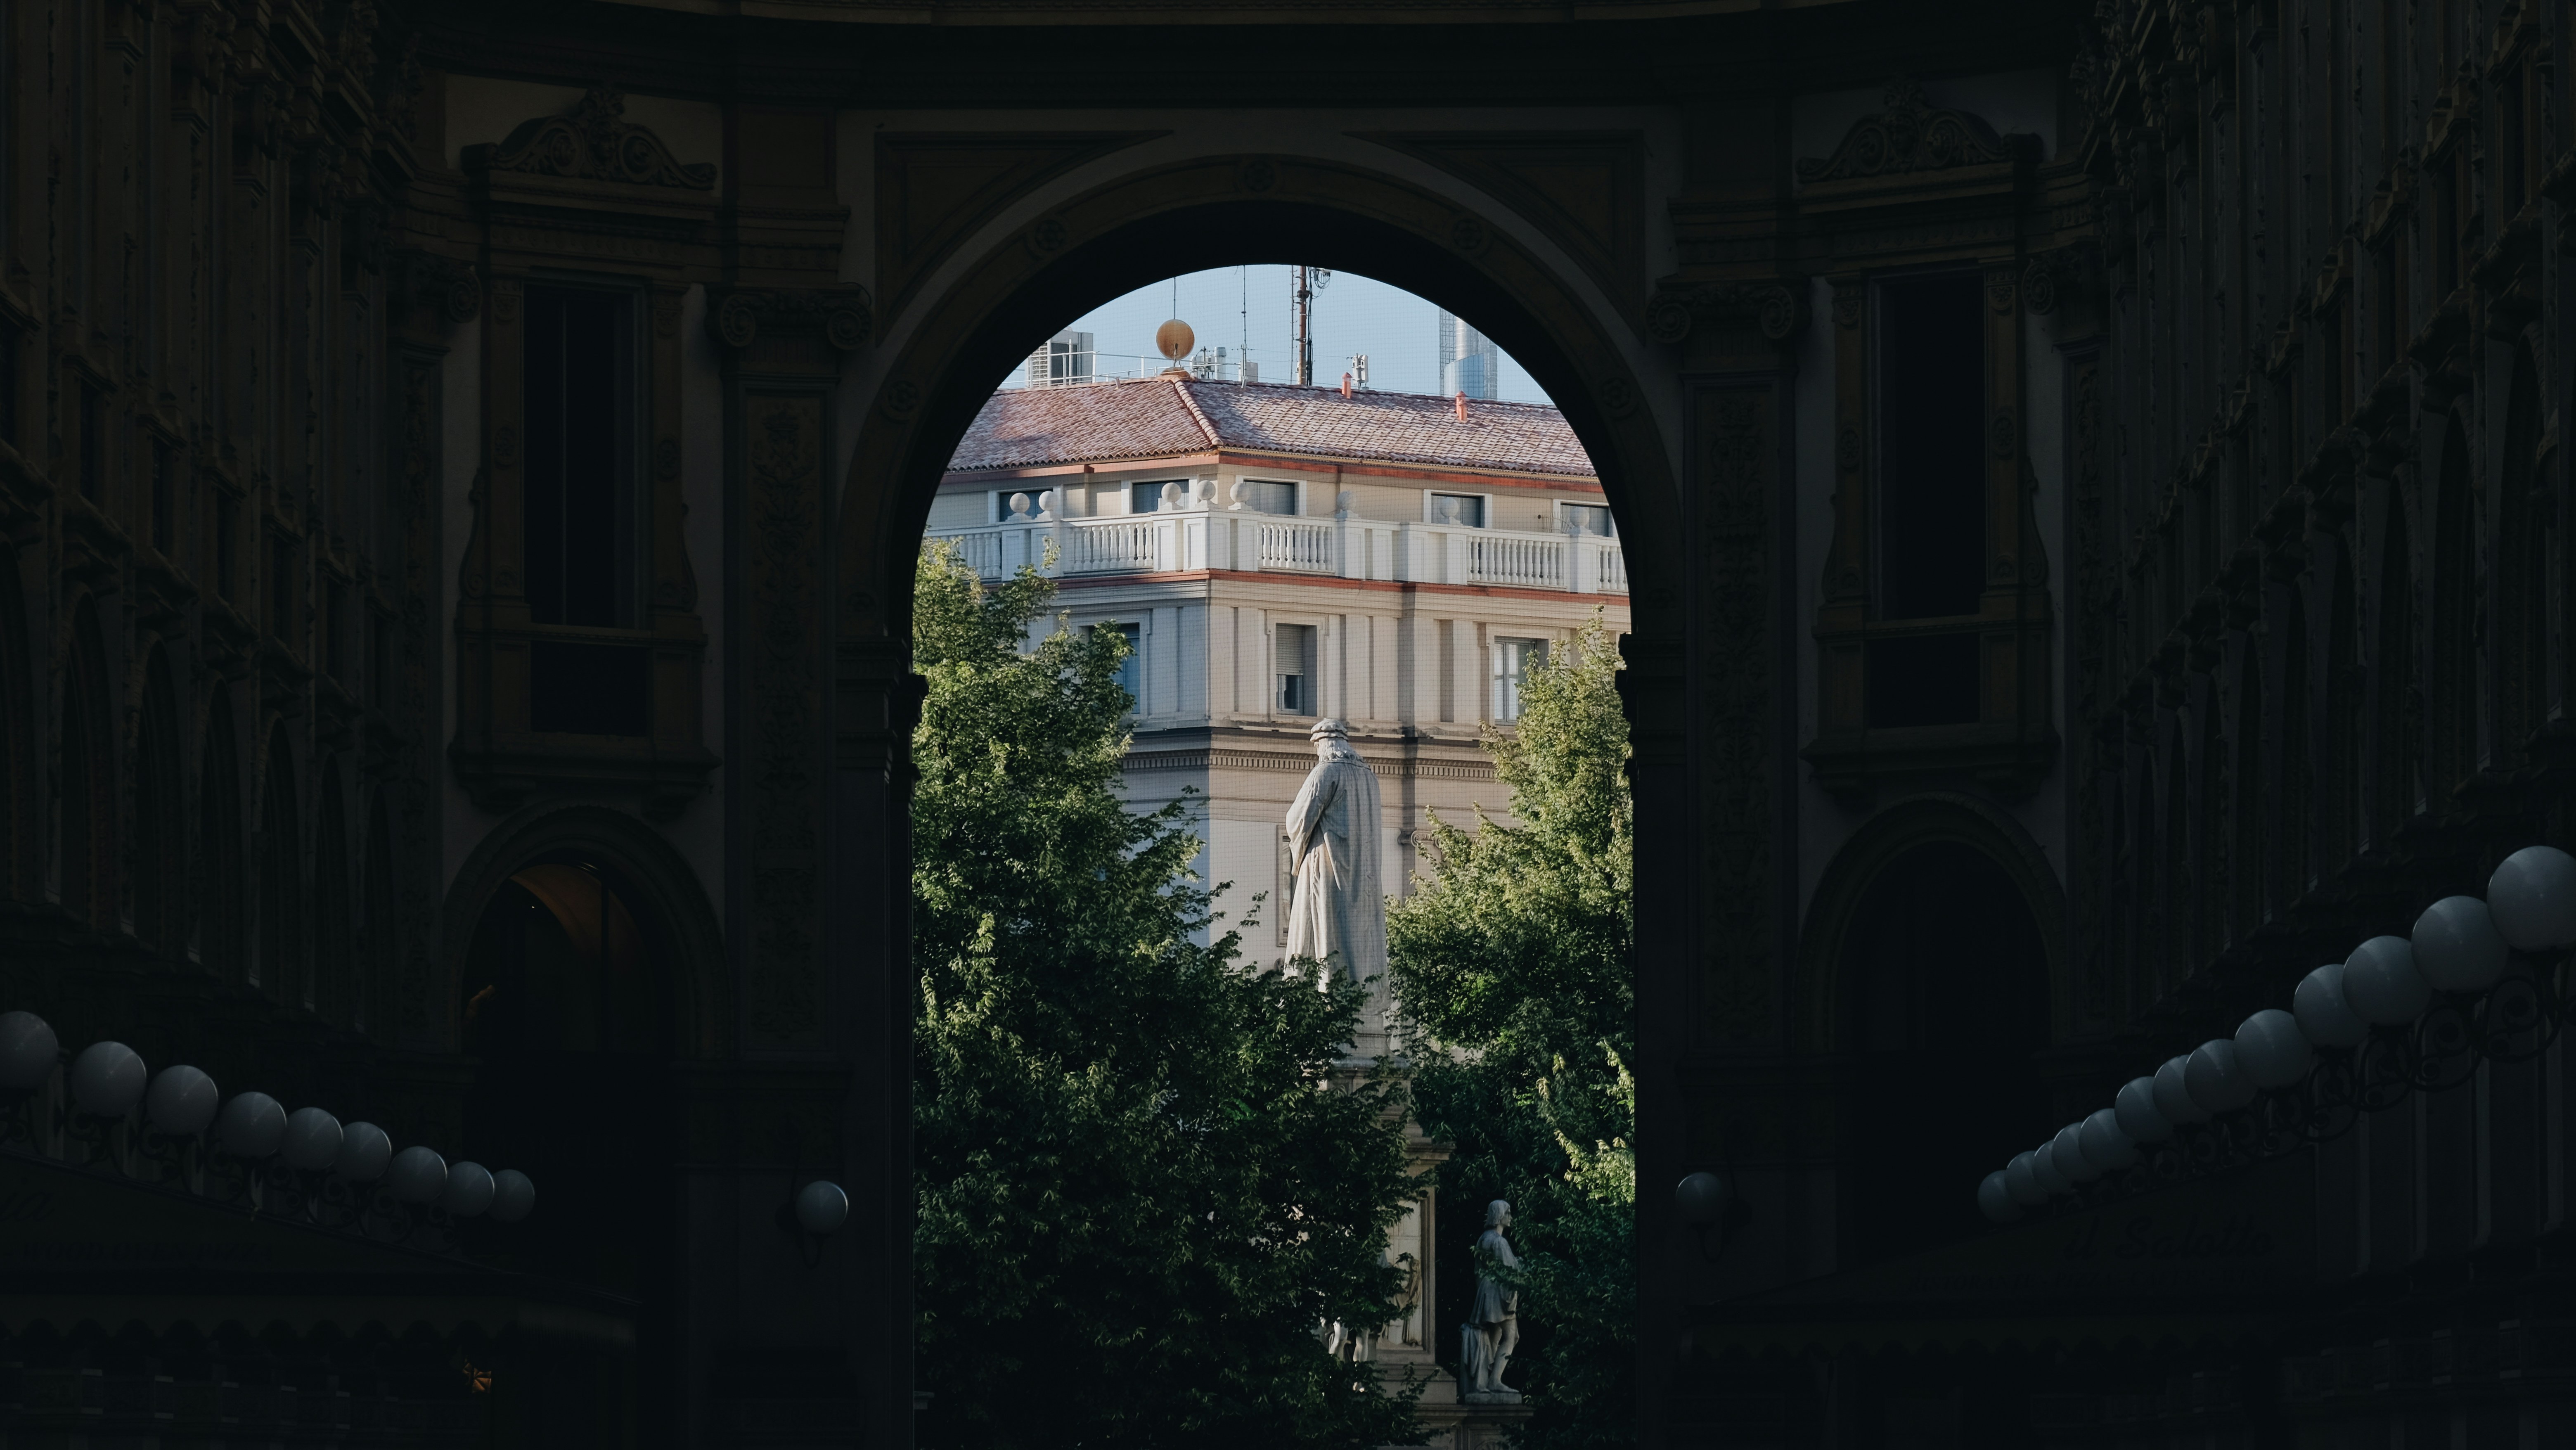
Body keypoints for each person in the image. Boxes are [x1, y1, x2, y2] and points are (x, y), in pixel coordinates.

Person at [1283, 717, 1385, 988]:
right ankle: (1357, 989)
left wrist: (1296, 850)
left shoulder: (1326, 772)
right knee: (1357, 936)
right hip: (1363, 876)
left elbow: (1298, 818)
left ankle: (1324, 990)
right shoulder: (1370, 778)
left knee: (1323, 930)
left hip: (1326, 867)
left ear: (1323, 744)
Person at [1461, 1198, 1521, 1402]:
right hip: (1498, 1293)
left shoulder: (1483, 1239)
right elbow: (1510, 1270)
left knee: (1494, 1336)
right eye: (1508, 1213)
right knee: (1511, 1337)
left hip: (1485, 1293)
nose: (1511, 1218)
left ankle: (1488, 1380)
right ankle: (1495, 1379)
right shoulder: (1498, 1241)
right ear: (1500, 1216)